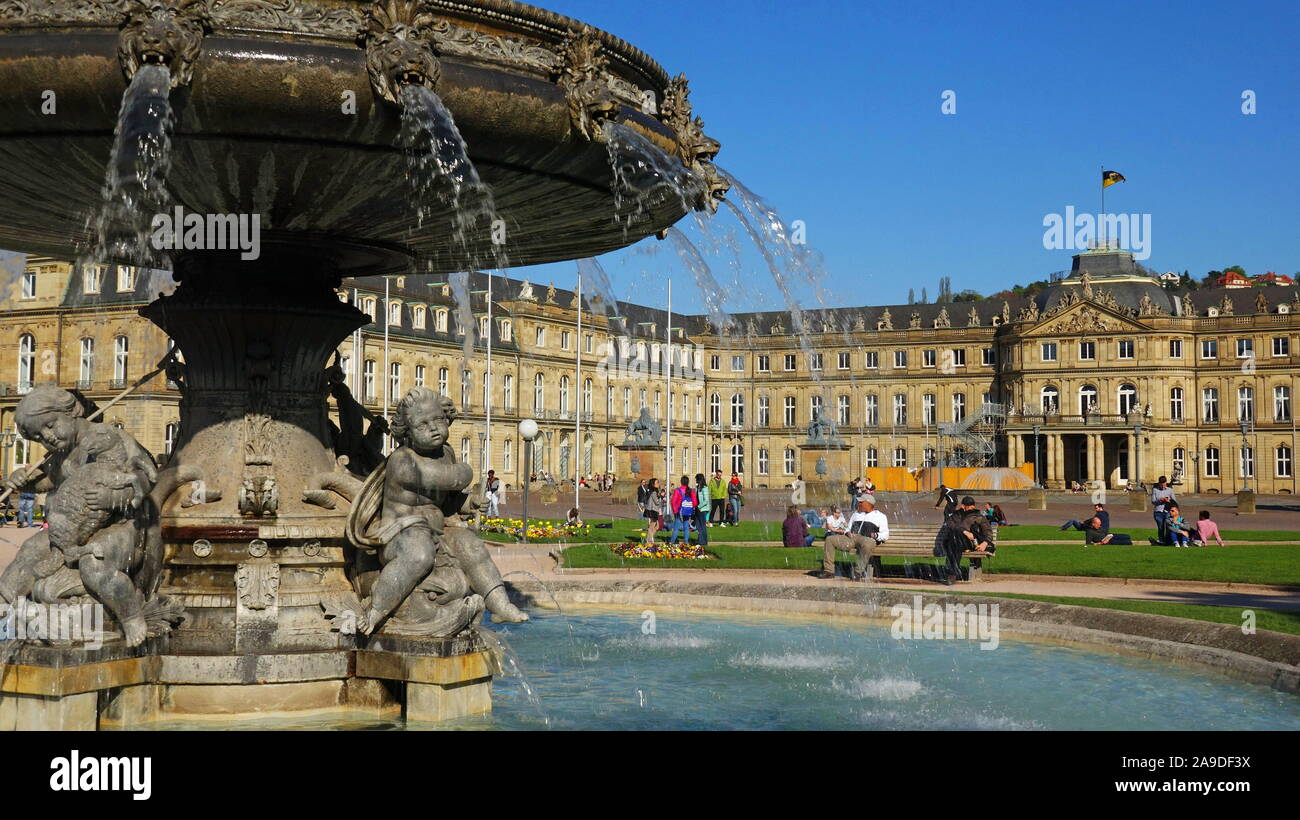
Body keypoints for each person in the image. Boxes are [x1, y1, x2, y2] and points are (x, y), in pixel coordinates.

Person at [815, 498, 888, 581]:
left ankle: (857, 572)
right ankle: (829, 571)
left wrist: (874, 535)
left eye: (861, 502)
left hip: (867, 539)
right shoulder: (856, 514)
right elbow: (847, 528)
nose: (858, 503)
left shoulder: (880, 516)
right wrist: (847, 532)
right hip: (851, 538)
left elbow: (885, 534)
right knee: (830, 539)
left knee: (868, 544)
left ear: (868, 503)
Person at [937, 496, 993, 585]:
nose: (972, 507)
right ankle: (953, 573)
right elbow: (950, 525)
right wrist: (965, 532)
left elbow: (988, 532)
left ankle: (952, 574)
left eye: (972, 505)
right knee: (954, 538)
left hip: (968, 543)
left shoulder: (978, 517)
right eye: (969, 505)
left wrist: (985, 543)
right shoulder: (955, 515)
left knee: (954, 540)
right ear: (963, 506)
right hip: (954, 542)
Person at [668, 475, 697, 544]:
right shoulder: (691, 491)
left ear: (681, 482)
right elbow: (695, 502)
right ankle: (686, 542)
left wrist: (675, 511)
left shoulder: (677, 490)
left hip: (679, 511)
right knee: (686, 527)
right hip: (687, 511)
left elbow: (673, 501)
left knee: (676, 528)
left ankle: (672, 542)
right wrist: (690, 507)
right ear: (688, 482)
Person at [1149, 475, 1177, 545]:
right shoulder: (1155, 490)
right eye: (1161, 485)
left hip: (1168, 511)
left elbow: (1174, 501)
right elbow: (1153, 501)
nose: (1162, 486)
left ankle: (1167, 540)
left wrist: (1168, 500)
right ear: (1159, 483)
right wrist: (1160, 500)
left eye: (1164, 484)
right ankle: (1161, 541)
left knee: (1168, 527)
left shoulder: (1169, 490)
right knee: (1161, 527)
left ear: (1166, 483)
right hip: (1158, 511)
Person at [642, 478, 664, 544]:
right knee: (652, 525)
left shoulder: (655, 491)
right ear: (653, 484)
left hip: (654, 510)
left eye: (658, 482)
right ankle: (649, 540)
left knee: (656, 526)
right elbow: (657, 502)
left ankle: (649, 538)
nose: (658, 484)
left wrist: (660, 495)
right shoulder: (653, 492)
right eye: (657, 483)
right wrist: (661, 497)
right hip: (652, 510)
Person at [693, 473, 711, 547]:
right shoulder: (698, 487)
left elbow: (706, 500)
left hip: (702, 509)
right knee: (698, 525)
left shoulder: (705, 488)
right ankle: (700, 539)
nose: (696, 481)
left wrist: (699, 507)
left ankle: (703, 541)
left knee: (702, 525)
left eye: (697, 479)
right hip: (698, 508)